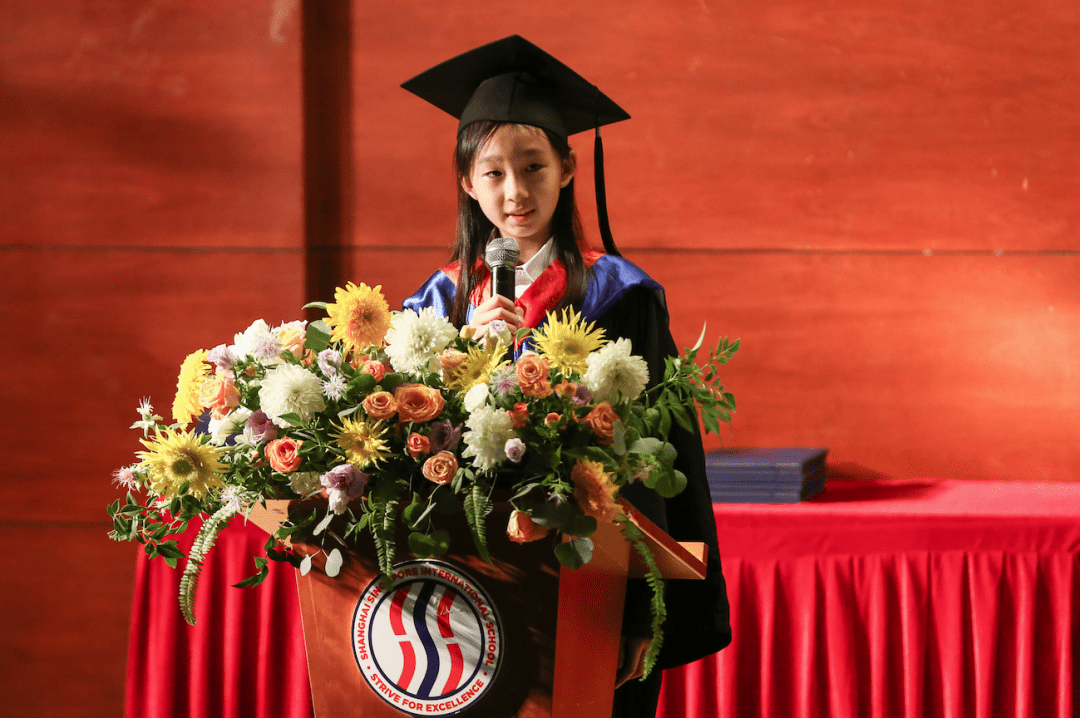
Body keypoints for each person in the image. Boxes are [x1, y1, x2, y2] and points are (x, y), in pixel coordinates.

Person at [400, 36, 731, 718]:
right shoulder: (436, 304)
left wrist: (640, 613)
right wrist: (463, 359)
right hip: (468, 599)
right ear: (467, 182)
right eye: (493, 173)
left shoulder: (619, 295)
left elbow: (654, 462)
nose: (516, 192)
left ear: (568, 167)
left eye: (533, 166)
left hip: (588, 587)